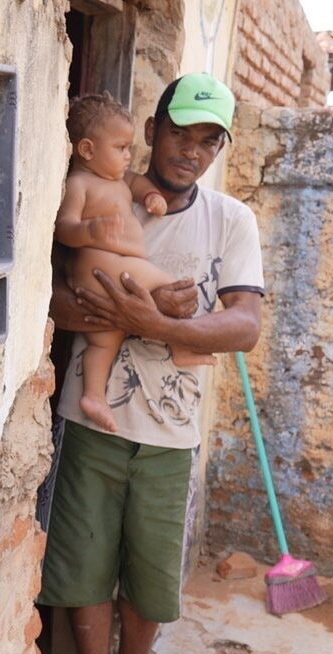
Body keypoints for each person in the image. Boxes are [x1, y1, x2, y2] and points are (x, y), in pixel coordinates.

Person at [41, 73, 264, 654]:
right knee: (83, 562)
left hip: (171, 433)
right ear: (151, 131)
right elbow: (48, 296)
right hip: (92, 422)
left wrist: (162, 327)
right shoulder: (106, 195)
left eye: (207, 141)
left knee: (149, 577)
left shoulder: (230, 221)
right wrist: (109, 313)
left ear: (218, 151)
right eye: (178, 133)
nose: (190, 151)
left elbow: (245, 324)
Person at [54, 93, 214, 434]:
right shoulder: (79, 184)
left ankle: (94, 396)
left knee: (104, 341)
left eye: (129, 148)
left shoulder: (120, 180)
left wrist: (151, 197)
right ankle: (181, 343)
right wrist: (90, 229)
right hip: (102, 264)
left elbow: (140, 184)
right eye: (120, 148)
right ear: (87, 150)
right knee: (169, 286)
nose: (129, 156)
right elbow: (64, 228)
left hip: (114, 267)